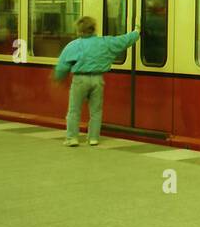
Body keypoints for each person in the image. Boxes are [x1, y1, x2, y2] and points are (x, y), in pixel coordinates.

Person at [53, 17, 139, 147]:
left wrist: (58, 78)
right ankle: (93, 138)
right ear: (94, 29)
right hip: (98, 79)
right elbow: (124, 40)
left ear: (79, 30)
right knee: (96, 111)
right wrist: (136, 32)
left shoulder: (74, 45)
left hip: (80, 79)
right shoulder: (105, 42)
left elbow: (62, 66)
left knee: (74, 110)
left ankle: (72, 138)